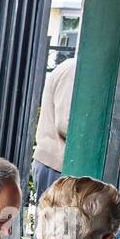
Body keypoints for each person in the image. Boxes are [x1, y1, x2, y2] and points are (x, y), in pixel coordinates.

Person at [32, 56, 76, 200]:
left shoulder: (72, 67)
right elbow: (65, 123)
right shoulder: (74, 69)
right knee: (54, 221)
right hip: (56, 164)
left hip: (55, 164)